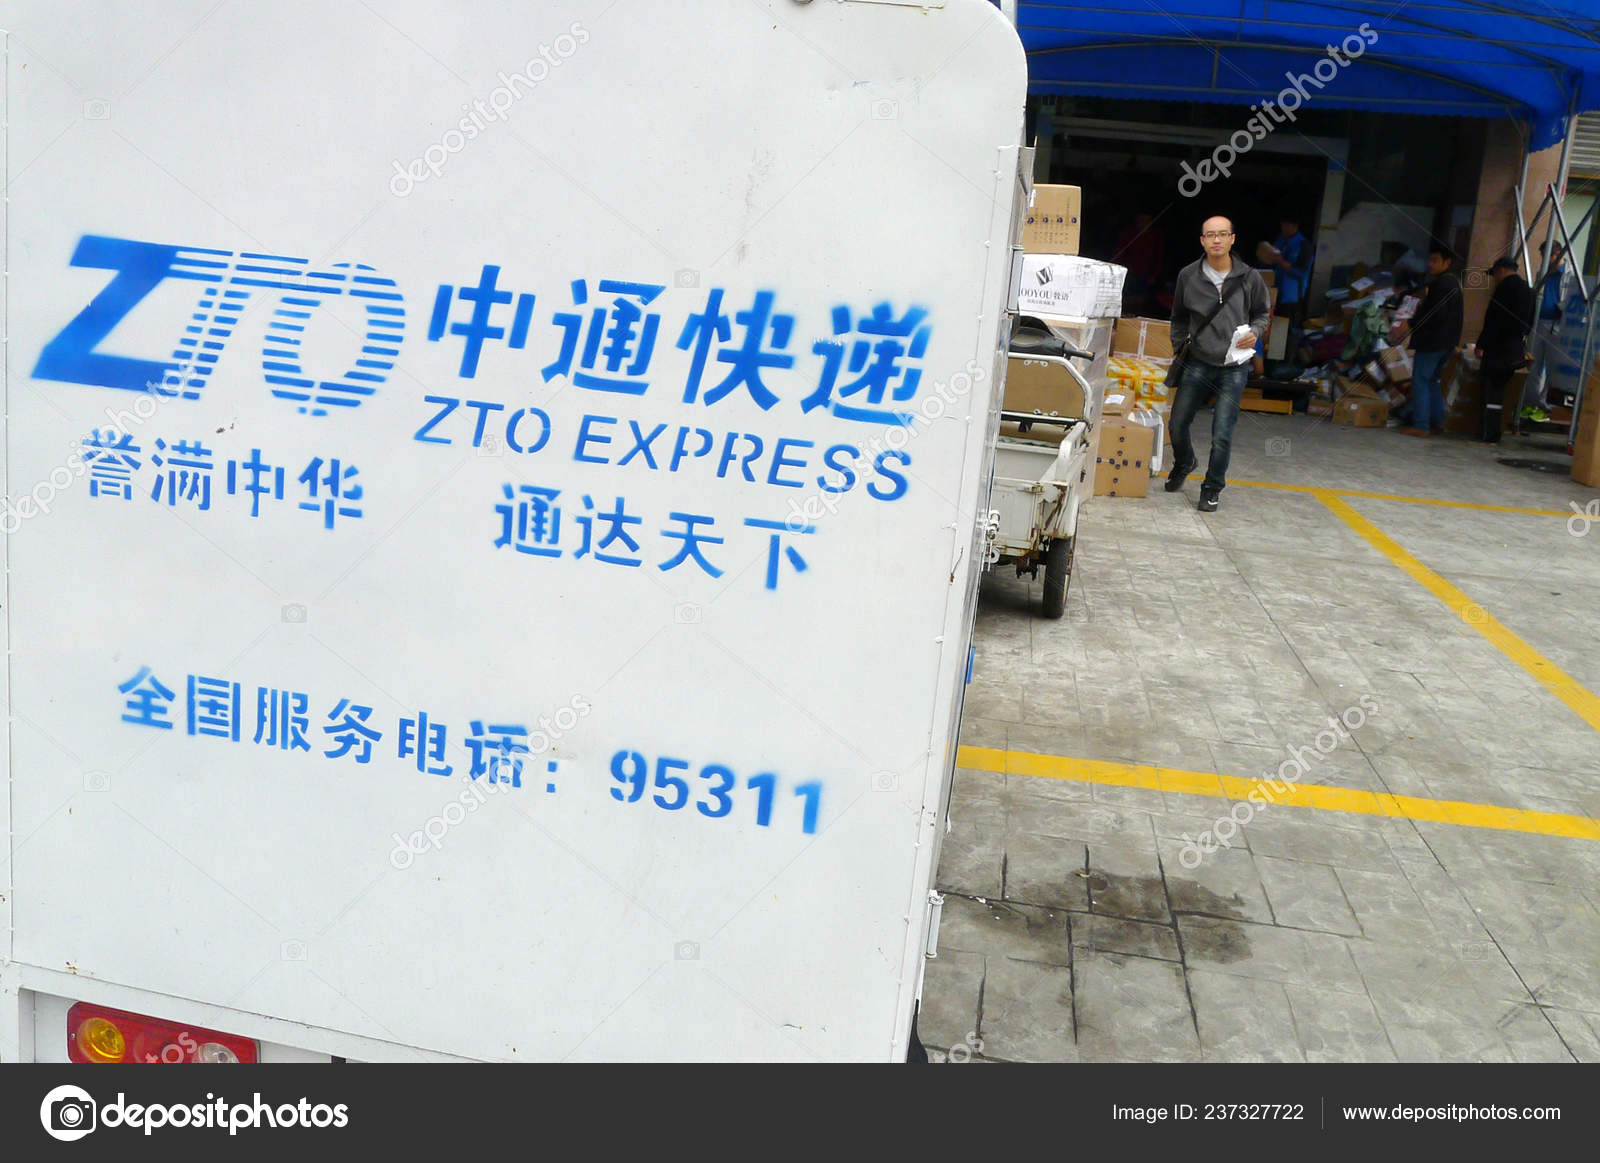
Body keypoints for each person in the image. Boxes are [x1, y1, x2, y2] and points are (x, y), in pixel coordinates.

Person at [1165, 216, 1272, 512]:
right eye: (1210, 235)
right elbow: (1179, 317)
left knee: (1222, 433)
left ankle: (1212, 488)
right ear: (1202, 240)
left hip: (1234, 366)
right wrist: (1179, 345)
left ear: (1232, 239)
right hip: (1199, 360)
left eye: (1222, 234)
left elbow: (1263, 312)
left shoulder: (1249, 277)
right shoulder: (1188, 275)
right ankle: (1185, 461)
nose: (1216, 240)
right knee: (1176, 424)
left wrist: (1256, 332)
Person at [1395, 243, 1463, 437]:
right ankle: (1439, 422)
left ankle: (1421, 425)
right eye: (1430, 260)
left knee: (1420, 380)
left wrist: (1411, 323)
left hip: (1433, 342)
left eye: (1435, 260)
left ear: (1447, 262)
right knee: (1432, 381)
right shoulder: (1451, 283)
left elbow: (1433, 313)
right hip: (1447, 342)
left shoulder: (1441, 285)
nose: (1430, 264)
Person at [1472, 257, 1534, 443]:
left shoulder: (1504, 289)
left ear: (1501, 270)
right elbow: (1529, 324)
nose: (1494, 279)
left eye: (1495, 275)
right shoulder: (1529, 291)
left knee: (1490, 391)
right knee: (1499, 392)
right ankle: (1492, 432)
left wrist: (1481, 344)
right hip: (1514, 348)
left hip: (1498, 348)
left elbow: (1493, 320)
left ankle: (1488, 433)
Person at [1115, 211, 1164, 318]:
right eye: (1141, 220)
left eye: (1146, 221)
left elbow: (1158, 256)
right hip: (1129, 274)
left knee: (1141, 302)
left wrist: (1154, 275)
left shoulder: (1155, 236)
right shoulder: (1128, 233)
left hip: (1146, 275)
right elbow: (1121, 253)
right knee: (1125, 301)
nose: (1143, 223)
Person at [1267, 215, 1313, 328]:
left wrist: (1282, 262)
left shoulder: (1303, 245)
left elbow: (1302, 272)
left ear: (1295, 226)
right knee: (1273, 326)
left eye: (1287, 226)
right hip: (1275, 292)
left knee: (1289, 328)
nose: (1284, 228)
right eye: (1282, 225)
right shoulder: (1280, 240)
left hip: (1292, 296)